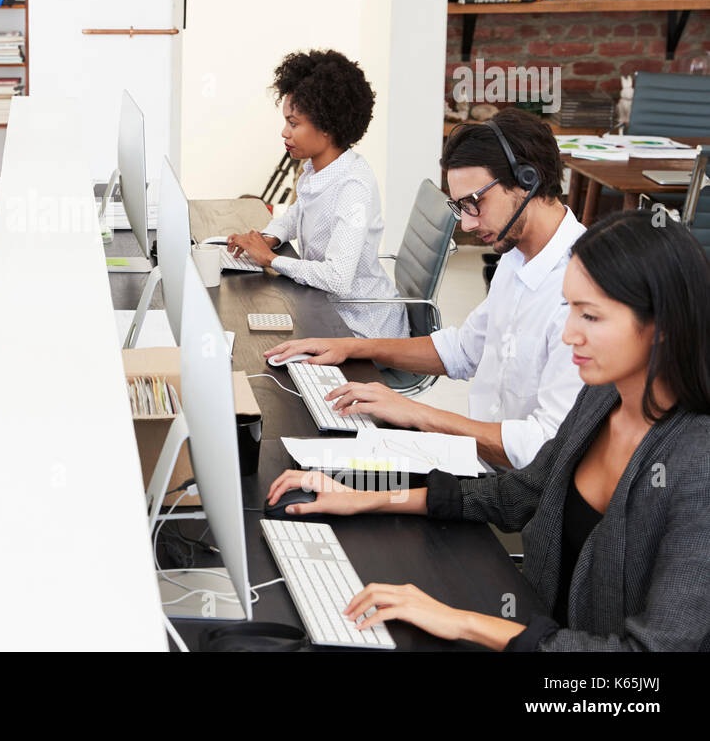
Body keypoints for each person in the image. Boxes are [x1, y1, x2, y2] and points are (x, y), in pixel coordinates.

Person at [266, 210, 710, 651]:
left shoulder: (698, 462)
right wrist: (367, 497)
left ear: (663, 327)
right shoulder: (604, 398)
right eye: (568, 308)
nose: (569, 334)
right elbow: (520, 493)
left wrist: (463, 623)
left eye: (590, 316)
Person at [267, 107, 586, 468]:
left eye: (474, 203)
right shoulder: (517, 256)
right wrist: (349, 346)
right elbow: (463, 350)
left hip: (520, 493)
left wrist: (418, 415)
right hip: (481, 464)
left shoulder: (582, 292)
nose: (466, 224)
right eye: (460, 206)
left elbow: (544, 448)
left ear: (528, 180)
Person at [225, 49, 405, 339]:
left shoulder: (352, 187)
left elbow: (337, 278)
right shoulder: (317, 169)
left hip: (360, 327)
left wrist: (271, 259)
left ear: (327, 127)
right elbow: (298, 213)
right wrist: (268, 238)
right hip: (323, 309)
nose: (284, 132)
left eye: (293, 124)